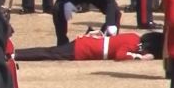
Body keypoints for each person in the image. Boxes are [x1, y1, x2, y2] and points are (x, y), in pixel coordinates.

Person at [15, 30, 164, 61]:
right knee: (49, 54)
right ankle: (15, 54)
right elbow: (120, 55)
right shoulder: (135, 43)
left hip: (86, 44)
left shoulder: (134, 37)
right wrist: (140, 57)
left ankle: (15, 53)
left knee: (49, 52)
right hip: (84, 49)